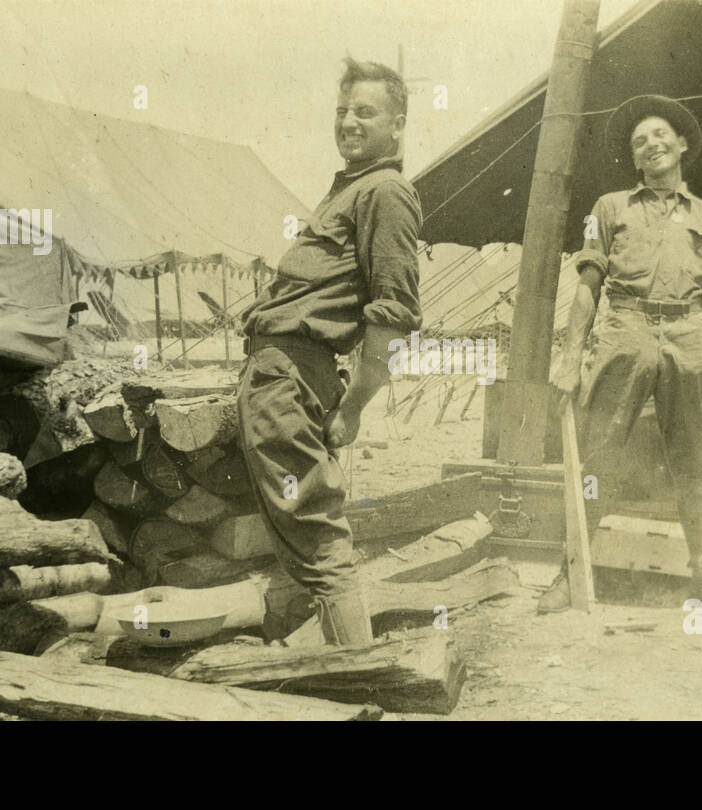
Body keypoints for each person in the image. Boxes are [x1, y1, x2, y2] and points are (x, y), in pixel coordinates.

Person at [538, 95, 702, 613]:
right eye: (639, 142)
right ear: (634, 161)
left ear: (681, 145)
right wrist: (569, 358)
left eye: (660, 135)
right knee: (600, 455)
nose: (651, 145)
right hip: (626, 327)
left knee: (692, 460)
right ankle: (570, 574)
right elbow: (588, 286)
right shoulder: (608, 208)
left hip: (691, 332)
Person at [237, 58, 422, 645]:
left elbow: (392, 319)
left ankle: (358, 675)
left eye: (365, 112)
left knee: (316, 531)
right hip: (279, 376)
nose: (348, 122)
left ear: (398, 124)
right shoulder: (351, 188)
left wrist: (354, 407)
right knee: (292, 527)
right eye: (342, 111)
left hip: (291, 379)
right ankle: (296, 663)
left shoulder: (385, 191)